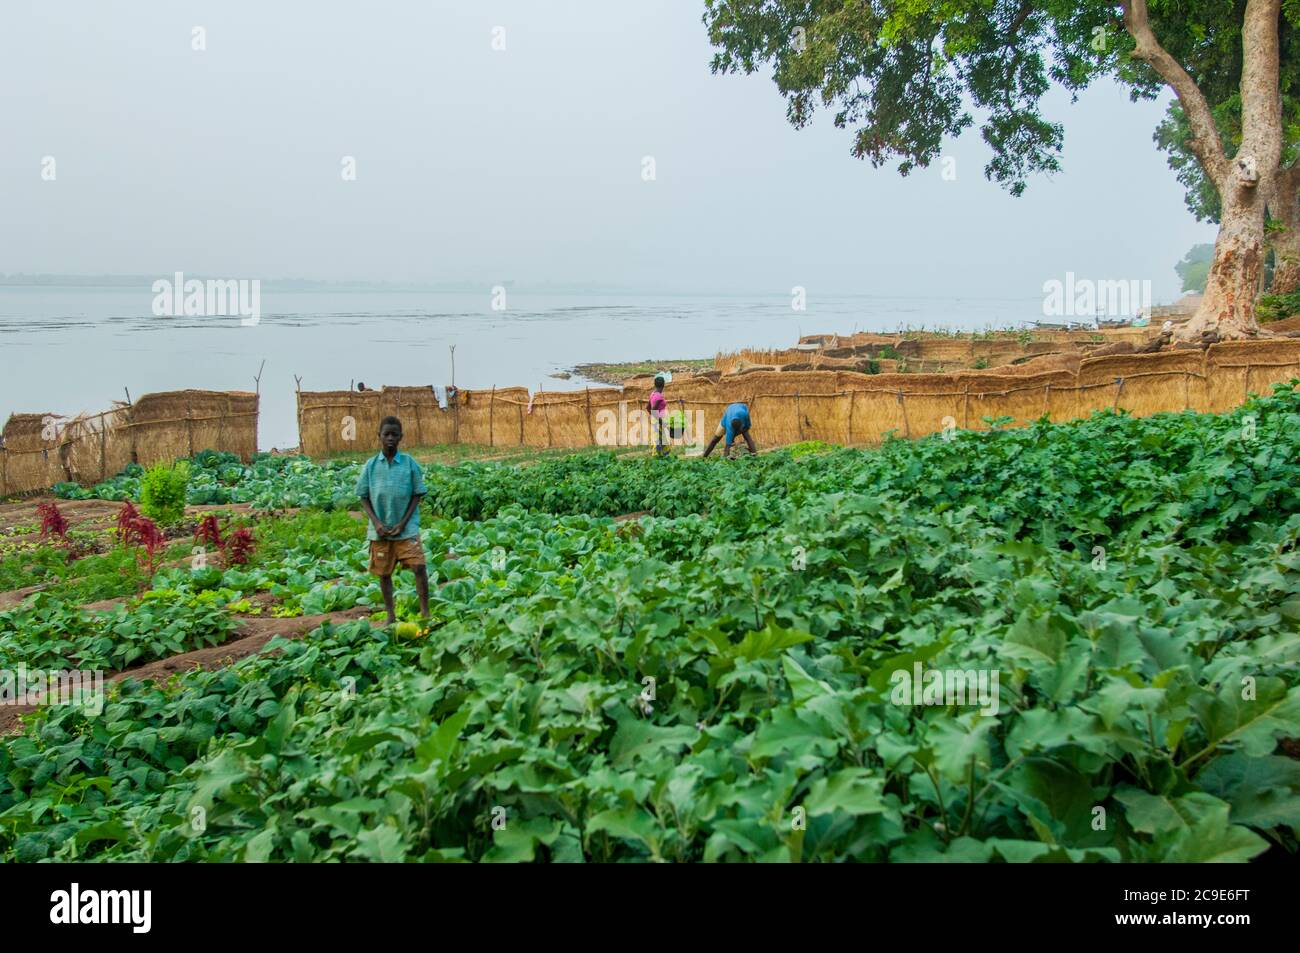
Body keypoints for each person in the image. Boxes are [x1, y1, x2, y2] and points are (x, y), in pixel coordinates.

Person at [356, 416, 429, 624]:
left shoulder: (408, 463)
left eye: (394, 435)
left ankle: (425, 613)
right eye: (386, 434)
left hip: (406, 529)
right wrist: (377, 523)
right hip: (380, 530)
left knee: (419, 567)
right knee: (384, 572)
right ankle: (390, 615)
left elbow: (417, 493)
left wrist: (403, 523)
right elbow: (363, 496)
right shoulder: (371, 466)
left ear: (401, 437)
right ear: (379, 436)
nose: (390, 438)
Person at [647, 375, 669, 457]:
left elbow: (648, 408)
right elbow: (653, 410)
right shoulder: (659, 396)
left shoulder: (652, 394)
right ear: (663, 385)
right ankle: (656, 458)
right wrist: (660, 421)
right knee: (658, 441)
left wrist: (652, 417)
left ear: (655, 384)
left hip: (655, 420)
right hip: (658, 420)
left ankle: (664, 457)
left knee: (661, 440)